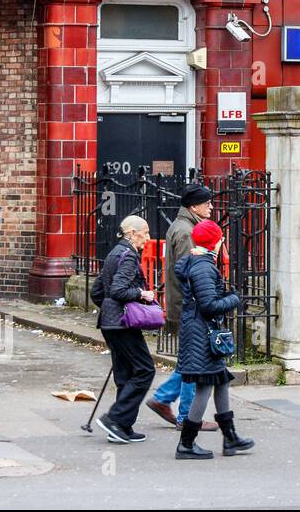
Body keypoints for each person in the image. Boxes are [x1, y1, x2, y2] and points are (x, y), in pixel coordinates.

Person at [174, 219, 255, 460]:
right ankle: (186, 444)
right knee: (204, 387)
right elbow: (209, 305)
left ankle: (230, 438)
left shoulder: (198, 263)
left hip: (198, 331)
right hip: (202, 332)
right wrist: (233, 298)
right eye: (221, 239)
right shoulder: (203, 267)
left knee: (220, 381)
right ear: (216, 242)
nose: (222, 242)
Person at [146, 183, 217, 432]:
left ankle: (162, 398)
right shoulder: (188, 232)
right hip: (190, 307)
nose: (211, 206)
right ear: (193, 206)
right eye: (206, 202)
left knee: (188, 359)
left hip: (183, 305)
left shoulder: (182, 225)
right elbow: (192, 274)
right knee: (194, 364)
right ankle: (186, 417)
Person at [93, 215, 158, 444]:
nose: (148, 238)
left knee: (125, 373)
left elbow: (97, 292)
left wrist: (109, 310)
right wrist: (142, 294)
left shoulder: (113, 254)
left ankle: (122, 427)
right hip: (123, 323)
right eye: (146, 232)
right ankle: (115, 418)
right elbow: (119, 290)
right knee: (145, 369)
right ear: (131, 233)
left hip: (110, 323)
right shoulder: (129, 256)